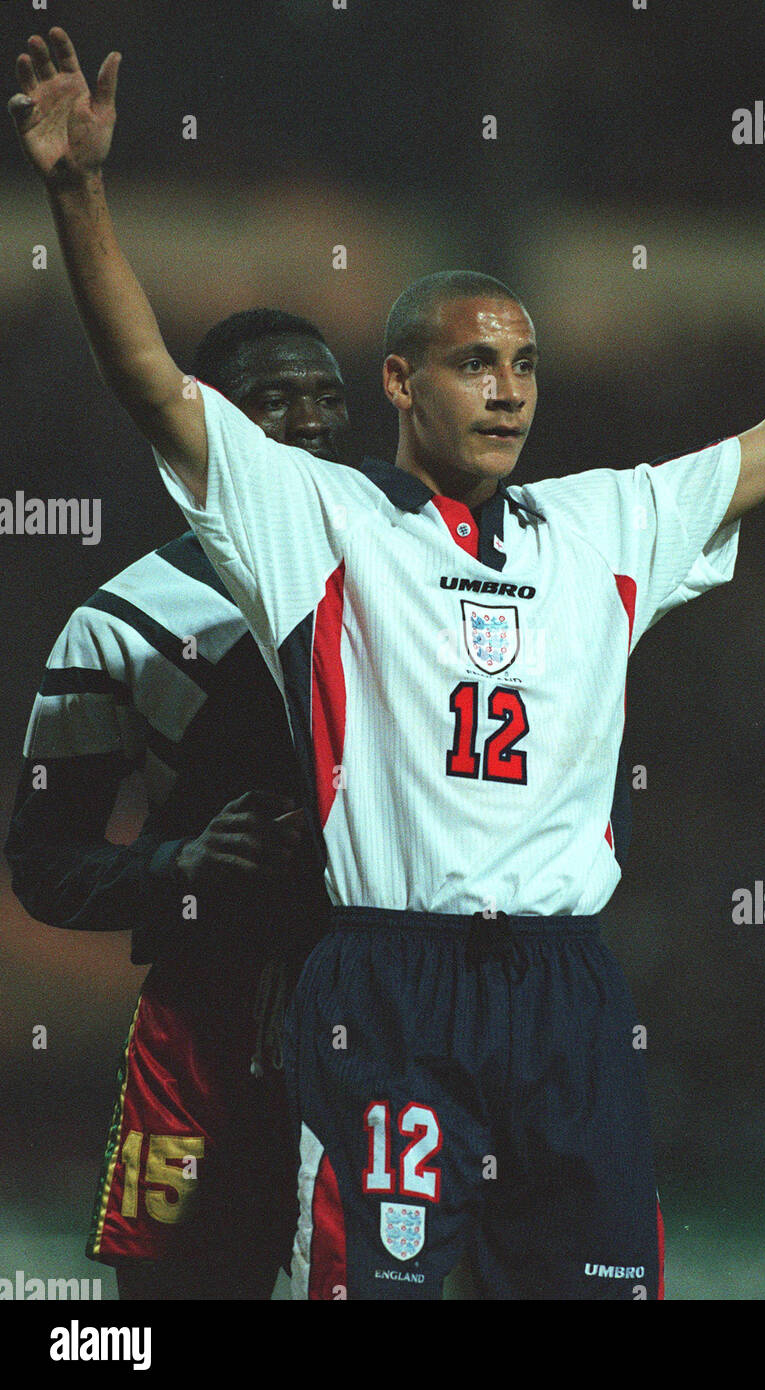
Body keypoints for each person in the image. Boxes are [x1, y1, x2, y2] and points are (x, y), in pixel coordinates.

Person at [11, 26, 765, 1299]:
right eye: (476, 362)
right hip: (385, 980)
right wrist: (78, 189)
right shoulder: (322, 525)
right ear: (401, 382)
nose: (508, 388)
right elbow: (150, 381)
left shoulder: (604, 522)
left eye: (524, 362)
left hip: (564, 990)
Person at [5, 307, 354, 1300]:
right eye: (274, 400)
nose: (313, 420)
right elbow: (43, 861)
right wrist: (182, 866)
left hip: (377, 999)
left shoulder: (409, 584)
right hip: (202, 1017)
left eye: (329, 396)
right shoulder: (119, 622)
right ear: (199, 428)